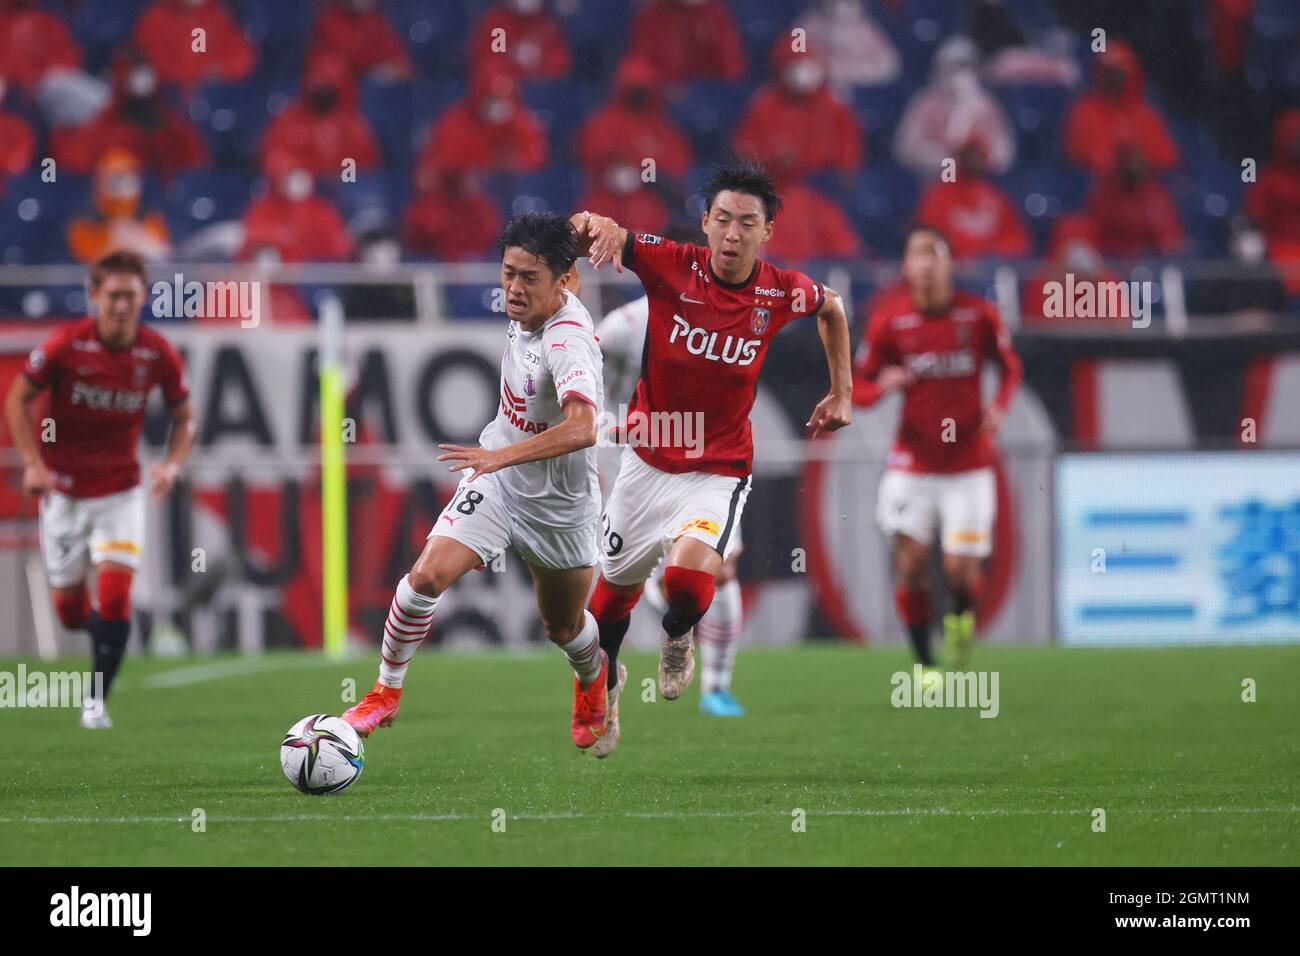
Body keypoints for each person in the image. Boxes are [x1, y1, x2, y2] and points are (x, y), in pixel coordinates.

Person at [572, 160, 854, 757]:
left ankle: (678, 636)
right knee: (608, 606)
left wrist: (843, 391)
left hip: (717, 470)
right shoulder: (670, 264)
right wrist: (594, 222)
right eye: (722, 220)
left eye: (746, 223)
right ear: (704, 222)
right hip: (645, 465)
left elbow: (832, 308)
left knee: (689, 581)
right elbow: (618, 235)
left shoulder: (781, 289)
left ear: (767, 231)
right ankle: (607, 692)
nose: (732, 234)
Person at [342, 213, 613, 751]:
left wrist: (502, 455)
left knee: (562, 628)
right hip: (498, 482)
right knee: (424, 577)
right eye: (508, 272)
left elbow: (584, 428)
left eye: (528, 278)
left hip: (559, 506)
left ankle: (593, 676)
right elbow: (563, 256)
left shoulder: (566, 343)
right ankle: (384, 693)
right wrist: (575, 235)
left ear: (561, 283)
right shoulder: (540, 294)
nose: (513, 288)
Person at [3, 251, 195, 728]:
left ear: (144, 297)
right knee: (70, 613)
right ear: (94, 297)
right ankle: (113, 635)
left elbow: (184, 417)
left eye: (131, 295)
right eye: (114, 296)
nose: (122, 305)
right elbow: (17, 399)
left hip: (121, 493)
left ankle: (95, 701)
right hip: (64, 494)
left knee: (114, 593)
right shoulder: (67, 344)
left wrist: (171, 464)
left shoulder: (156, 352)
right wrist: (32, 463)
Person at [593, 228, 747, 718]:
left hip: (710, 466)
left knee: (716, 572)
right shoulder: (624, 326)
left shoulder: (733, 316)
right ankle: (604, 685)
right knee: (621, 586)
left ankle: (717, 686)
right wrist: (601, 433)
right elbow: (575, 383)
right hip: (635, 465)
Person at [852, 227, 1021, 672]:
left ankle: (960, 621)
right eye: (917, 255)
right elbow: (857, 387)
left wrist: (1000, 407)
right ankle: (925, 662)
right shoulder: (889, 320)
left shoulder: (979, 315)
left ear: (950, 264)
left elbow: (1010, 368)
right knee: (910, 566)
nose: (926, 264)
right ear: (906, 267)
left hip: (969, 465)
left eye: (935, 255)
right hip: (913, 464)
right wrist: (882, 386)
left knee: (960, 575)